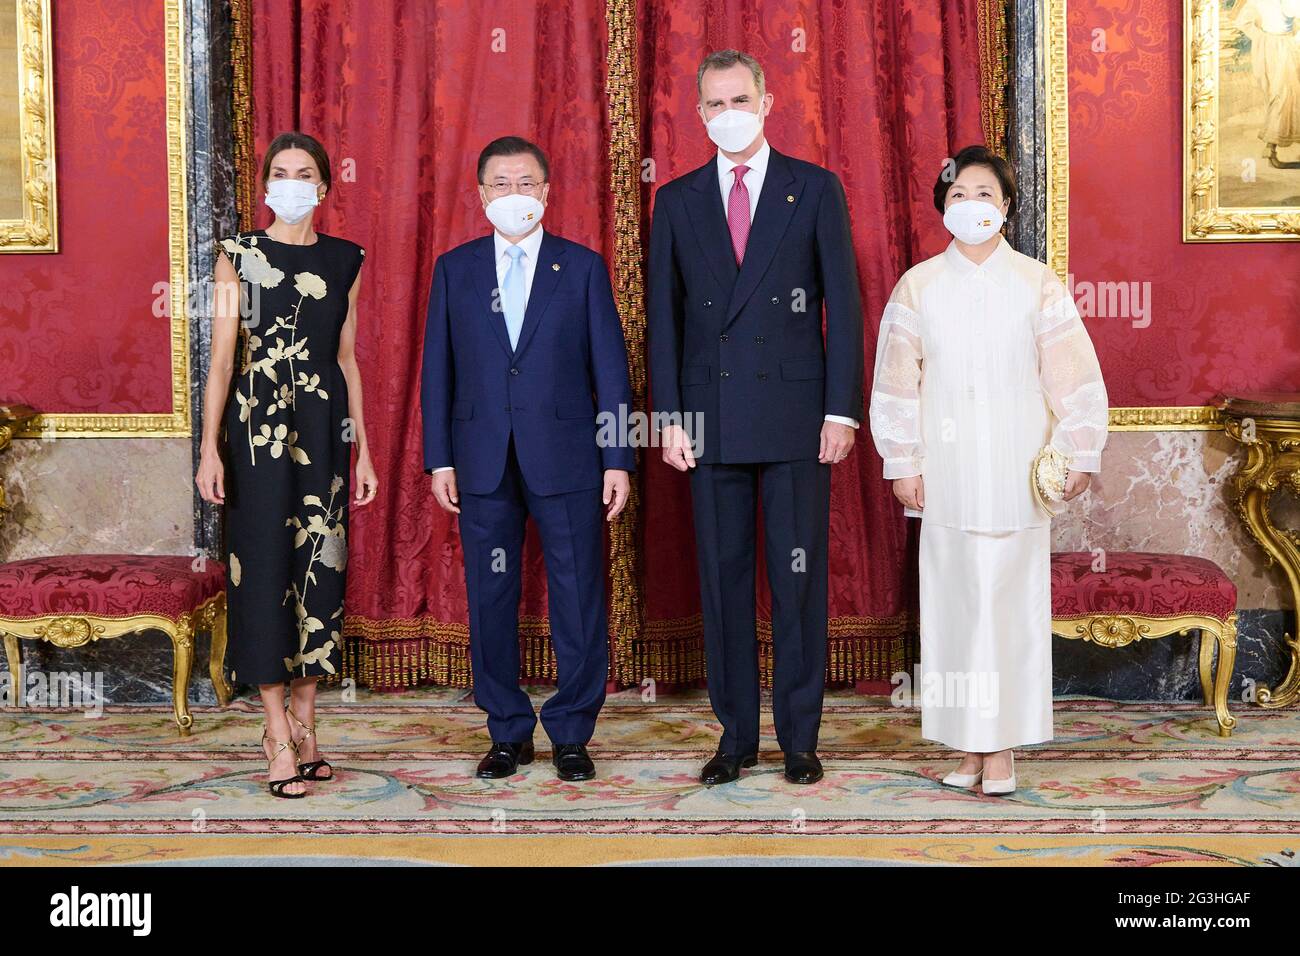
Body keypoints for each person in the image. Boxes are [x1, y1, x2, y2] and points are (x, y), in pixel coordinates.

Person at [647, 50, 864, 786]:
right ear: (699, 112)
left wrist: (841, 410)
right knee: (723, 579)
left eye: (741, 98)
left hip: (799, 418)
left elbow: (845, 306)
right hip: (709, 421)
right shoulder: (675, 201)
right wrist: (669, 419)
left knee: (799, 582)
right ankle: (736, 735)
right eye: (715, 103)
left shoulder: (816, 189)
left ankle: (800, 738)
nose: (729, 112)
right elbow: (664, 323)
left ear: (768, 102)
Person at [868, 145, 1109, 796]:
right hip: (946, 477)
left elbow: (1074, 375)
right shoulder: (918, 286)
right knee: (952, 613)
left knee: (1008, 611)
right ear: (943, 208)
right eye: (957, 195)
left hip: (1015, 472)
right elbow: (896, 384)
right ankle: (966, 746)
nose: (970, 204)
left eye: (984, 193)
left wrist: (1080, 449)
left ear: (1006, 206)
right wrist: (901, 460)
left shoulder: (1037, 284)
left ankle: (1001, 749)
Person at [421, 136, 634, 782]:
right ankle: (507, 731)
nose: (513, 194)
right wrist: (439, 459)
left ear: (546, 192)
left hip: (569, 458)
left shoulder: (583, 267)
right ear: (481, 194)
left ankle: (572, 731)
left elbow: (612, 371)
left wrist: (618, 457)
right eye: (500, 183)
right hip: (480, 459)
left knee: (577, 595)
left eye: (525, 183)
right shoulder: (455, 271)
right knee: (491, 597)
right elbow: (438, 372)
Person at [196, 131, 378, 798]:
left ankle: (306, 719)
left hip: (325, 434)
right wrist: (208, 448)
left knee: (319, 575)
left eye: (306, 172)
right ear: (265, 182)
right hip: (253, 435)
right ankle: (274, 729)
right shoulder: (236, 256)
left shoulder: (346, 259)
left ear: (324, 186)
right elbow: (219, 363)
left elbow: (349, 360)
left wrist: (366, 453)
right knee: (263, 571)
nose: (293, 181)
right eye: (281, 171)